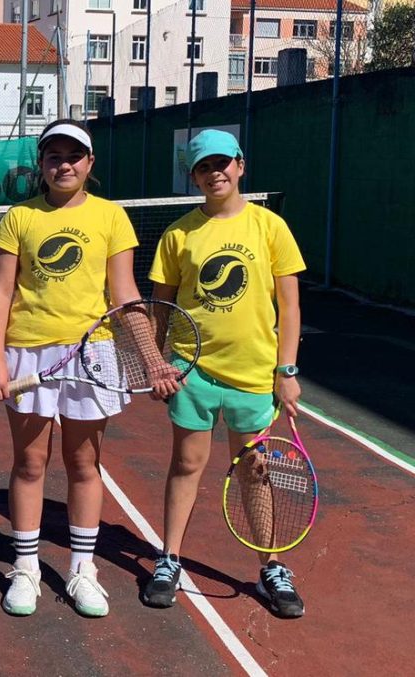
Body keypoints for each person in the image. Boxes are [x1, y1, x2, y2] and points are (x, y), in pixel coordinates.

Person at [0, 119, 181, 618]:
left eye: (74, 156)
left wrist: (152, 360)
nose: (64, 164)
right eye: (54, 156)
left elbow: (125, 294)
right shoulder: (19, 218)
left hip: (94, 354)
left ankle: (81, 570)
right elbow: (1, 293)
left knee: (84, 464)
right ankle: (25, 568)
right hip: (28, 351)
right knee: (30, 463)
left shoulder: (111, 217)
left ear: (90, 163)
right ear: (42, 164)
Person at [143, 129, 307, 618]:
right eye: (203, 167)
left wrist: (286, 370)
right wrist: (156, 362)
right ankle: (169, 559)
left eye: (222, 163)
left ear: (240, 166)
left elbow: (290, 306)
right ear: (193, 177)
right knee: (186, 464)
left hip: (253, 375)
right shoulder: (179, 235)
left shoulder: (270, 227)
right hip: (192, 372)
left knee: (254, 471)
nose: (214, 173)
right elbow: (161, 307)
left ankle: (271, 567)